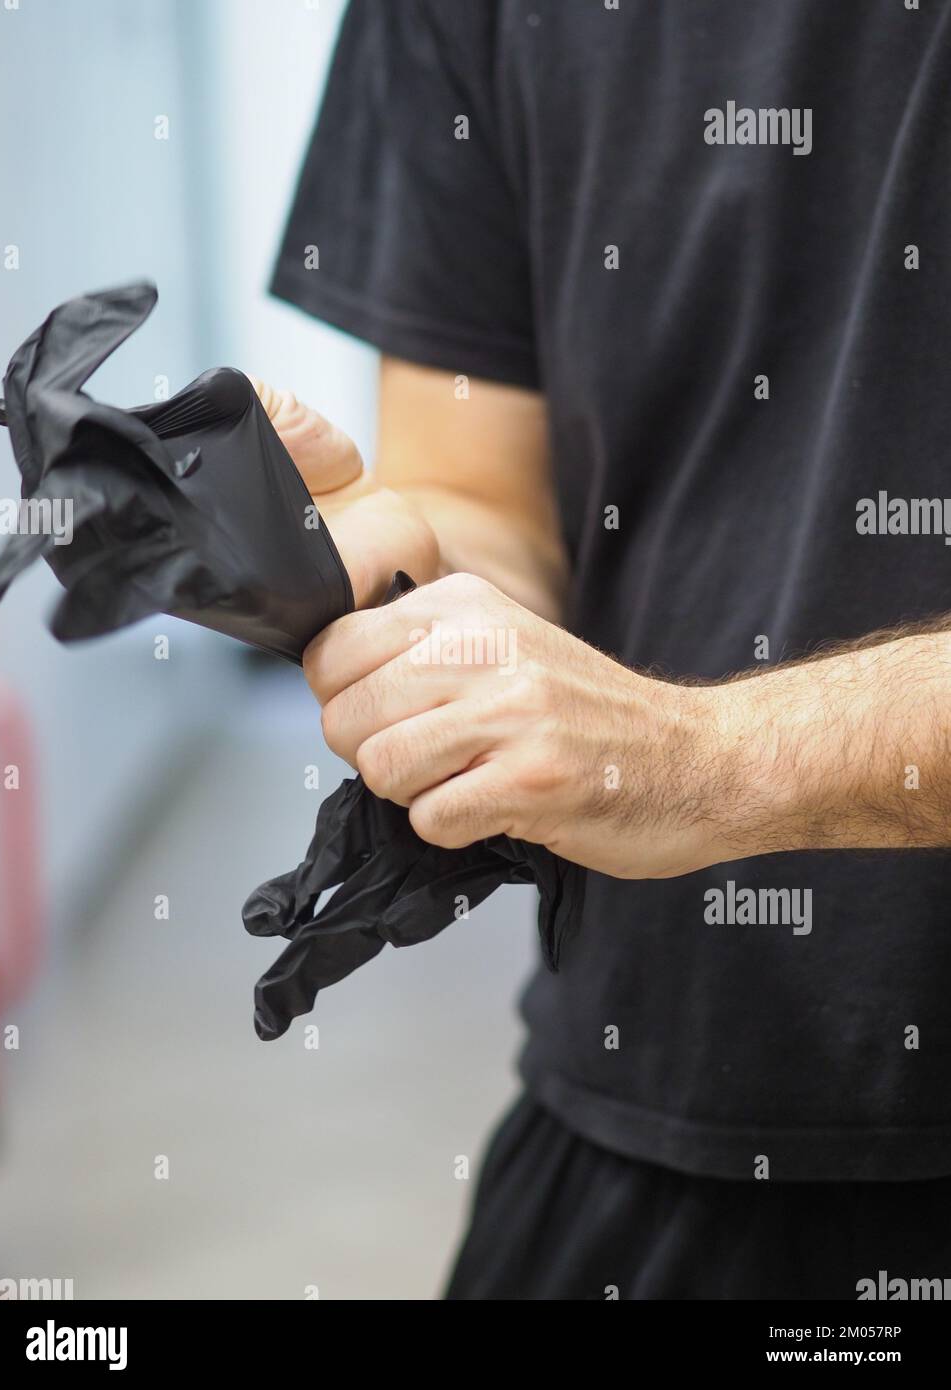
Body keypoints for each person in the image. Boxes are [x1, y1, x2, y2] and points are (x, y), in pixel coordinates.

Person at [253, 0, 951, 1299]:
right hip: (634, 1117)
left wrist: (702, 759)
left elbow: (682, 762)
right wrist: (396, 595)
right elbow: (481, 494)